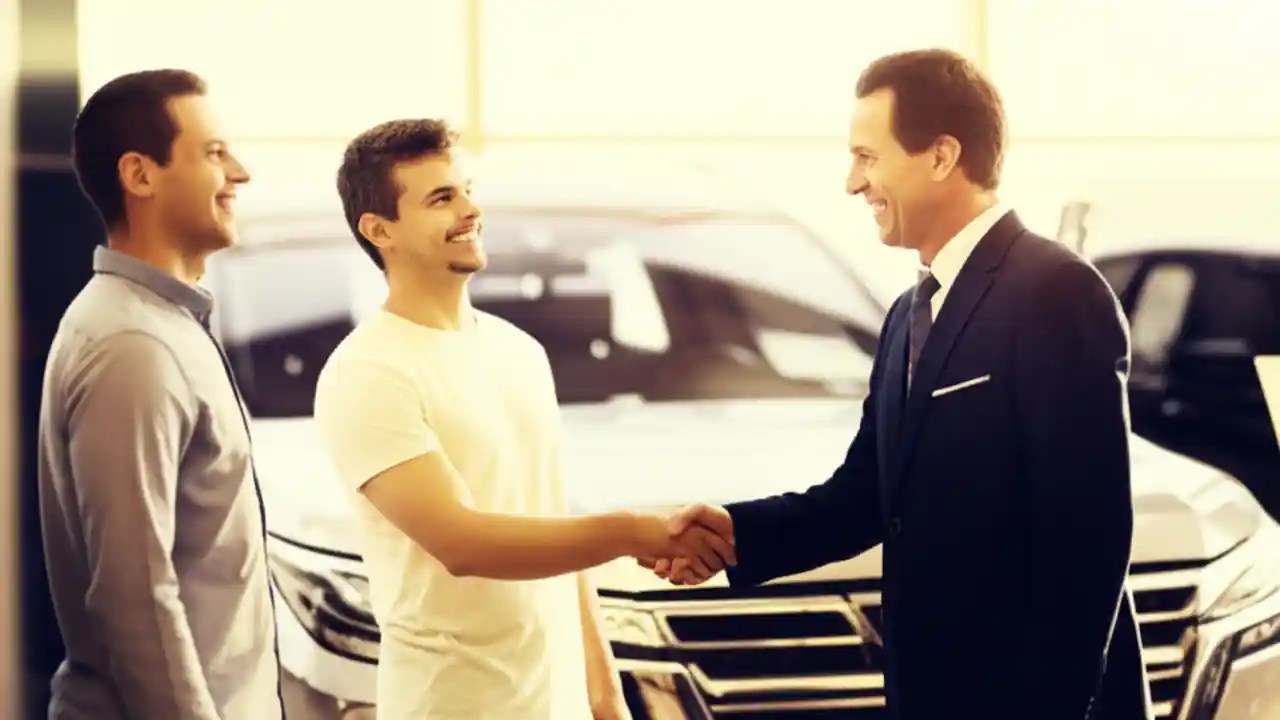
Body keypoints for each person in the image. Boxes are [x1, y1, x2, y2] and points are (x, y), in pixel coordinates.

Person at [651, 49, 1153, 720]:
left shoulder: (1056, 290)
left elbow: (1087, 540)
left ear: (942, 156)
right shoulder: (907, 314)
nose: (852, 183)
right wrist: (736, 533)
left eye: (868, 157)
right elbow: (869, 494)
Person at [313, 118, 735, 720]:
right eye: (441, 198)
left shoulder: (517, 349)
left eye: (465, 189)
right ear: (380, 230)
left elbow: (551, 518)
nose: (469, 209)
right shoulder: (367, 372)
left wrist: (605, 695)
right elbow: (461, 542)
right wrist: (629, 531)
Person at [37, 70, 283, 719]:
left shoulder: (163, 324)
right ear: (140, 176)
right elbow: (135, 599)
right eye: (213, 153)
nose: (241, 172)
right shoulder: (133, 345)